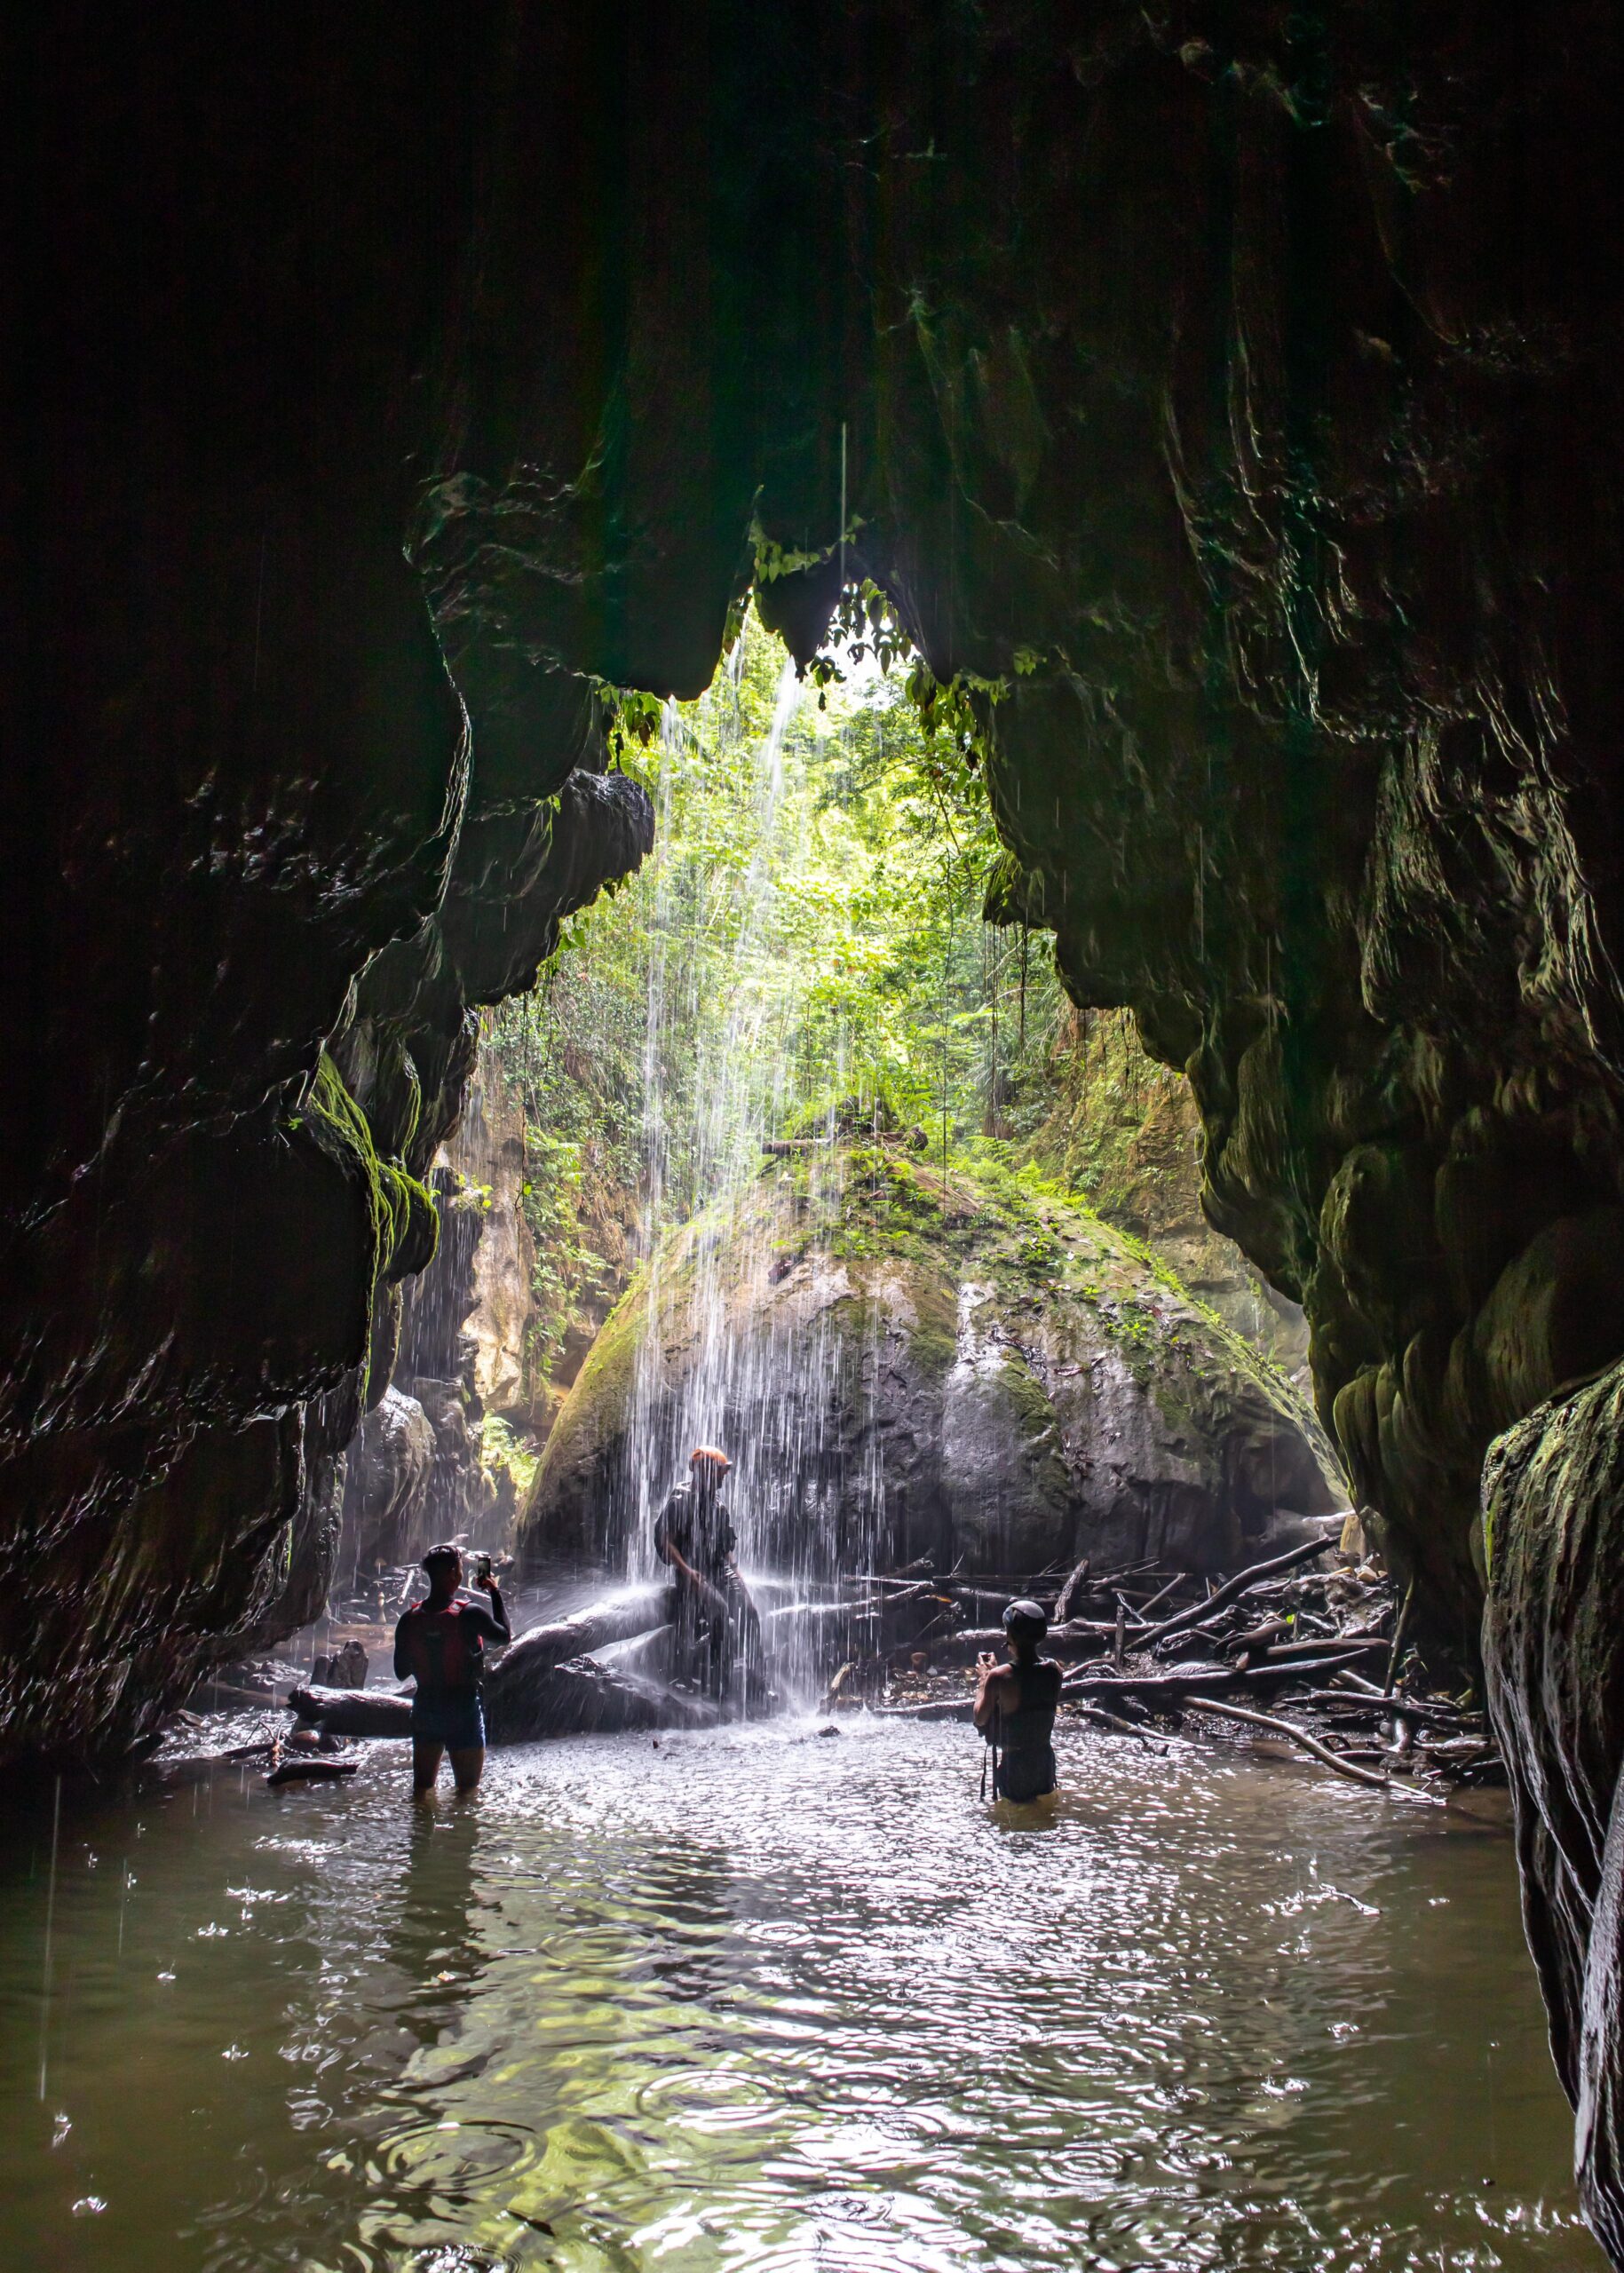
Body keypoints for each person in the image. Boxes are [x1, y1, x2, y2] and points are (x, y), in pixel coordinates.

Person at [393, 1543, 511, 1798]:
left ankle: (422, 1835)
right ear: (453, 1575)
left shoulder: (409, 1619)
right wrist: (495, 1592)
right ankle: (460, 1837)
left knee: (422, 1792)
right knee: (467, 1795)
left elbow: (400, 1672)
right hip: (462, 1709)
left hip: (426, 1709)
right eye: (459, 1568)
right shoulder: (469, 1613)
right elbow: (504, 1637)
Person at [653, 1445, 762, 1701]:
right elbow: (667, 1541)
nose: (724, 1477)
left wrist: (736, 1572)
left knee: (750, 1613)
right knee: (721, 1613)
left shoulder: (717, 1503)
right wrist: (687, 1571)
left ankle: (758, 1681)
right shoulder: (680, 1500)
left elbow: (725, 1547)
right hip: (693, 1573)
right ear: (705, 1472)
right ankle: (718, 1685)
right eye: (721, 1473)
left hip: (719, 1570)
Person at [974, 1597, 1063, 1802]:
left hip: (1015, 1768)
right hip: (1044, 1764)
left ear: (1010, 1635)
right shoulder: (1054, 1670)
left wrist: (983, 1678)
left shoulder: (999, 1677)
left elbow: (980, 1718)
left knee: (1015, 1821)